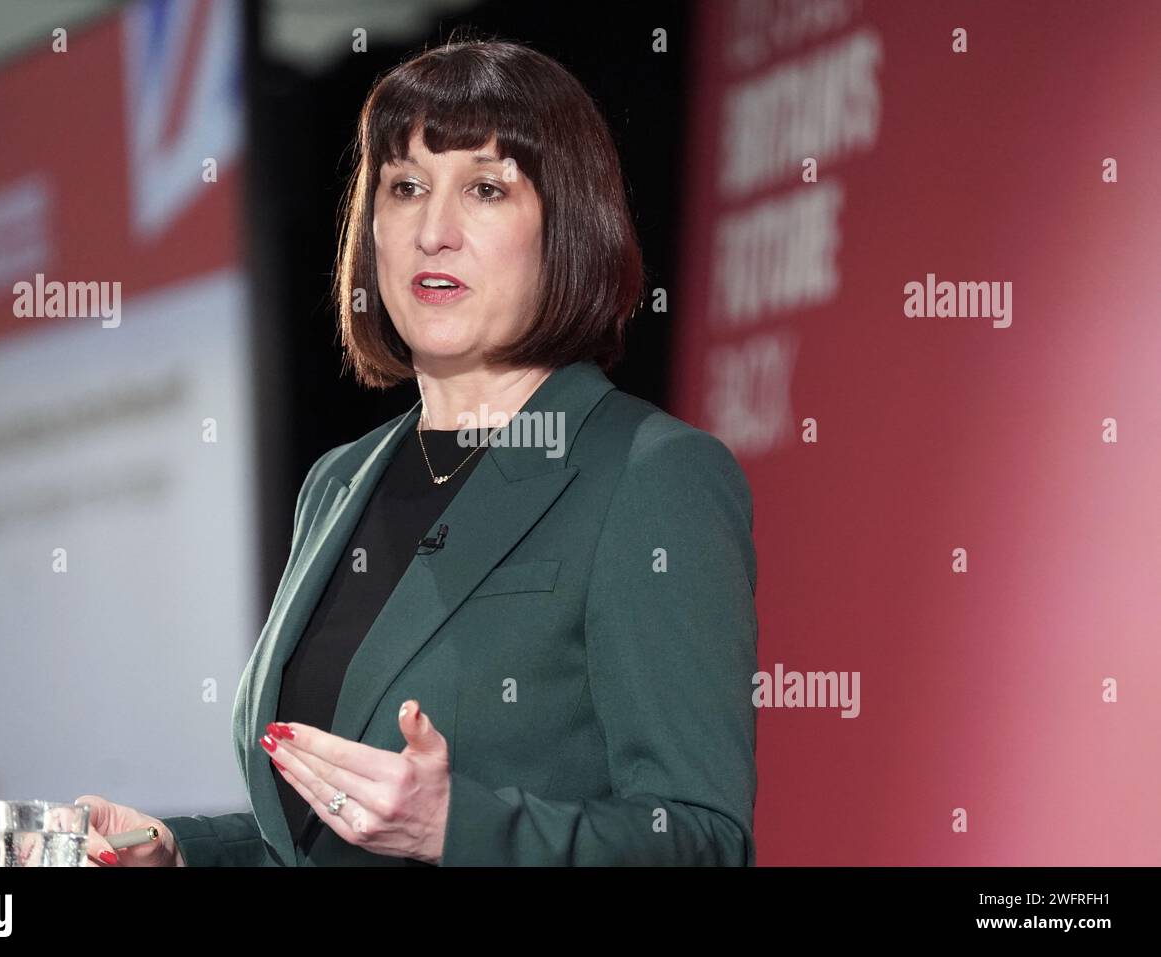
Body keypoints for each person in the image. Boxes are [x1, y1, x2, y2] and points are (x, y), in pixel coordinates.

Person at [77, 34, 758, 867]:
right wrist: (179, 849)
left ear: (568, 225)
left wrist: (457, 828)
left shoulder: (652, 473)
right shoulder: (338, 481)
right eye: (405, 187)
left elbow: (700, 840)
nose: (435, 230)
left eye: (485, 188)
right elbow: (319, 841)